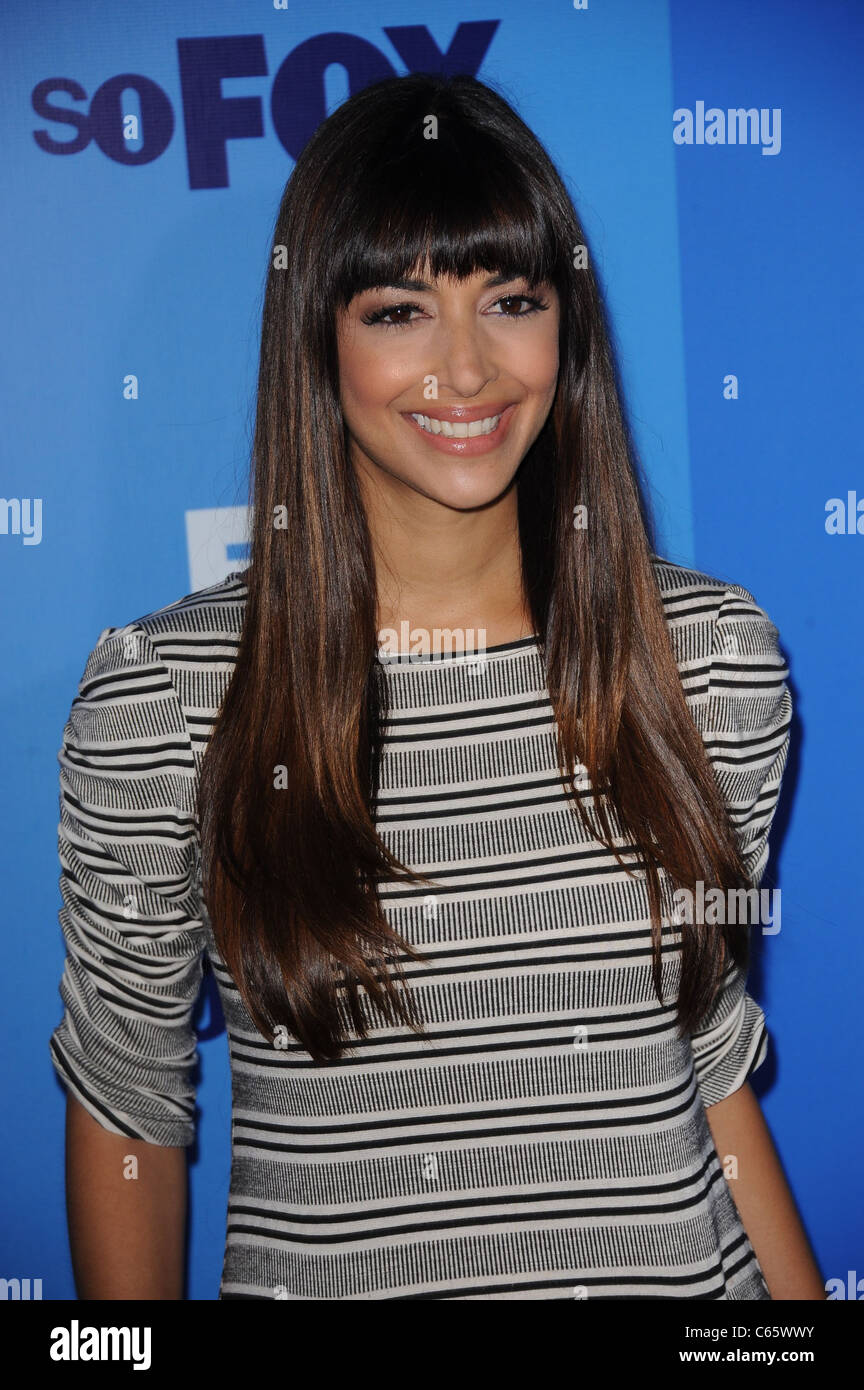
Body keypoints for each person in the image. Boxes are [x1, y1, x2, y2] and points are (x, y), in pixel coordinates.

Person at [50, 72, 824, 1301]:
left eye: (510, 300)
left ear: (565, 323)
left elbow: (710, 1068)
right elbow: (128, 1106)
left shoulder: (709, 661)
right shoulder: (166, 698)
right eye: (401, 310)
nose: (467, 371)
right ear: (319, 336)